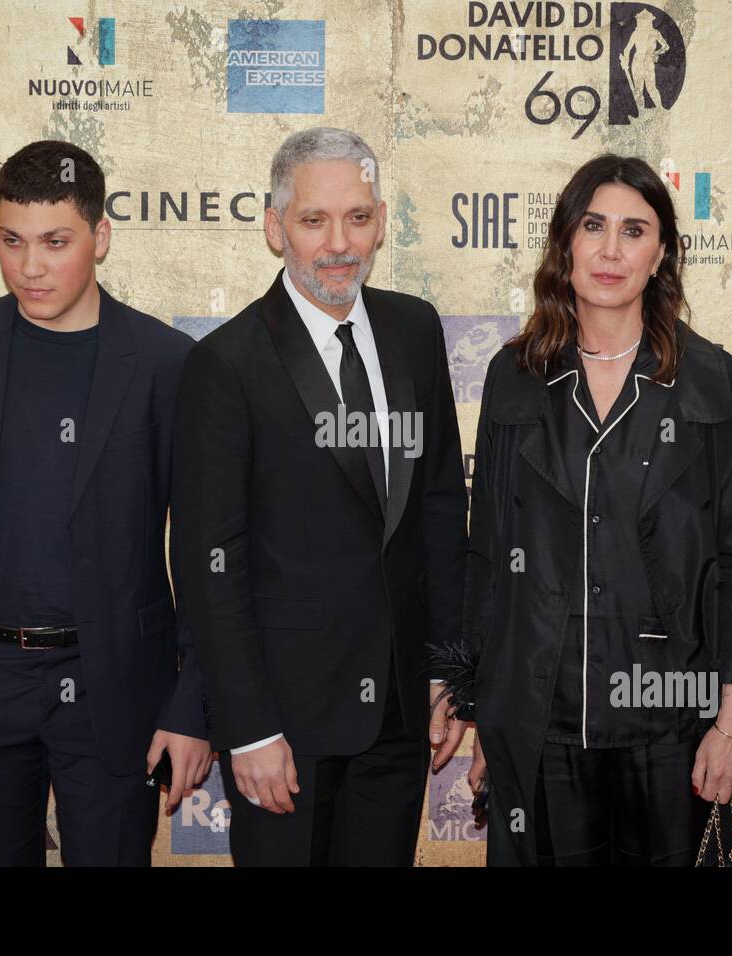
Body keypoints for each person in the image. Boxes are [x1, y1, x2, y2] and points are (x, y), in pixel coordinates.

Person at [0, 140, 211, 865]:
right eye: (12, 241)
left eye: (55, 242)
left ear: (101, 237)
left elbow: (208, 550)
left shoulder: (165, 364)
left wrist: (192, 702)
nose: (30, 267)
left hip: (114, 683)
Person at [459, 153, 732, 866]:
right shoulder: (513, 381)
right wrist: (489, 721)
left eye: (634, 230)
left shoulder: (715, 385)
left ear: (661, 251)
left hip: (674, 732)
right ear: (565, 242)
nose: (610, 250)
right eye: (593, 225)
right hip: (541, 727)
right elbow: (487, 559)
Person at [171, 127, 469, 866]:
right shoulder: (226, 364)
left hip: (400, 719)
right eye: (314, 221)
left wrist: (445, 673)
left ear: (379, 222)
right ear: (276, 227)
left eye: (359, 218)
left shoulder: (417, 330)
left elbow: (437, 509)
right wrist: (247, 728)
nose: (340, 244)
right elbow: (213, 563)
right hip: (285, 731)